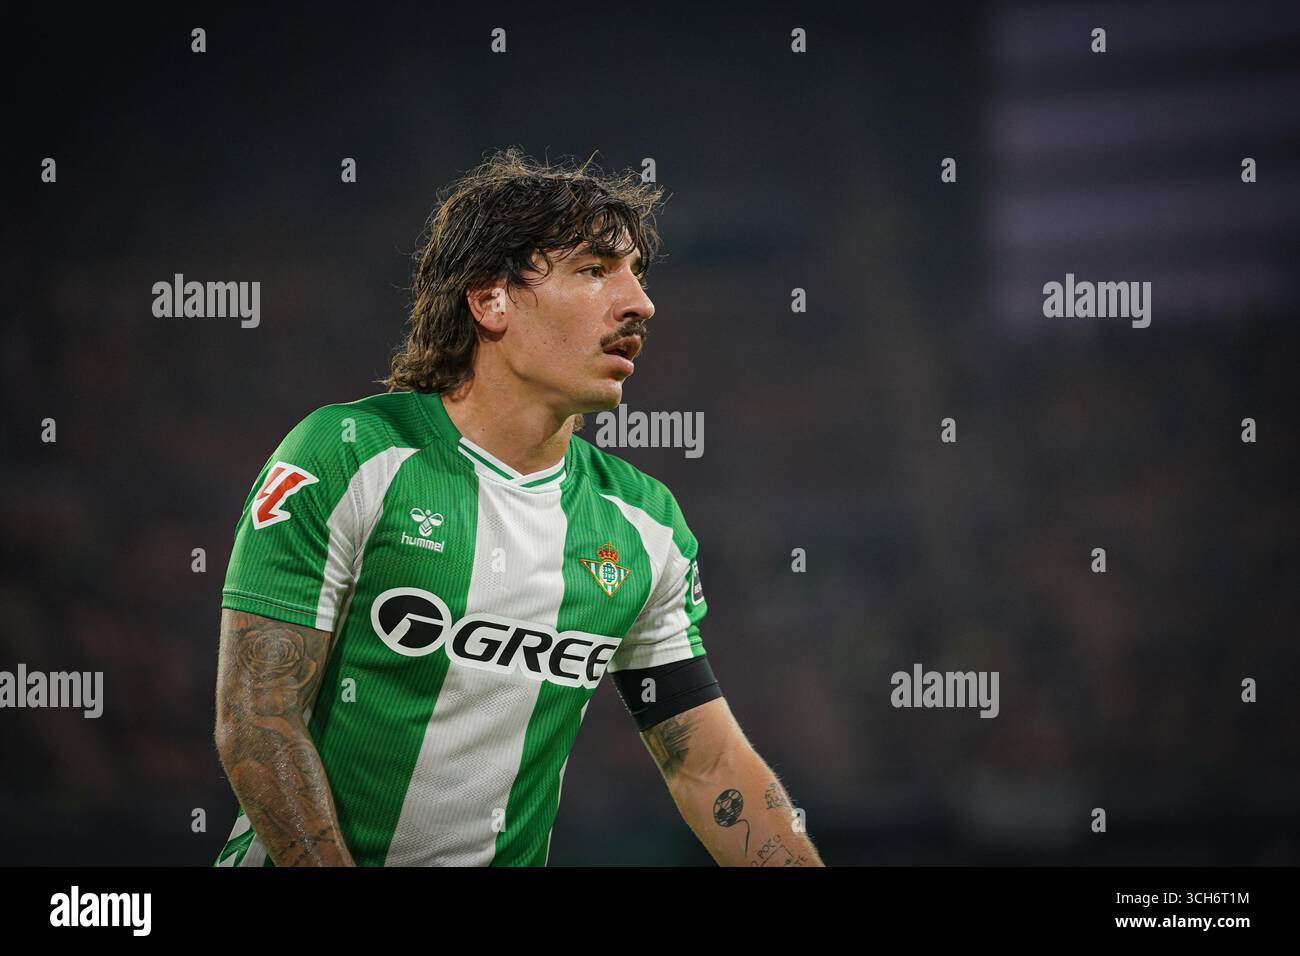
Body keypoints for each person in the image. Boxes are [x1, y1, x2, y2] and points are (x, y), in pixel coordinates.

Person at [213, 148, 823, 867]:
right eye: (595, 270)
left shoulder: (644, 525)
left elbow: (708, 765)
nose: (639, 303)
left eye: (636, 275)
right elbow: (257, 716)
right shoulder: (347, 455)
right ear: (490, 300)